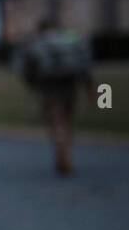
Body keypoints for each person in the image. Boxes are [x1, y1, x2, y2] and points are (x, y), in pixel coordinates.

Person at [15, 15, 95, 176]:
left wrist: (33, 86)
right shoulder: (68, 40)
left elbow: (27, 70)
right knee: (67, 121)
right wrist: (89, 88)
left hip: (49, 89)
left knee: (57, 123)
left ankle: (63, 157)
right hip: (70, 86)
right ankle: (67, 155)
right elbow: (83, 64)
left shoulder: (37, 43)